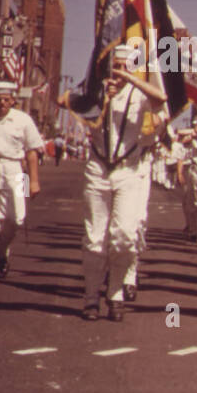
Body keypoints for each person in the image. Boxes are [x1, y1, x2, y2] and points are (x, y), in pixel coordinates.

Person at [61, 45, 167, 321]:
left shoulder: (138, 93)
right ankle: (91, 297)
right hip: (98, 169)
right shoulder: (96, 92)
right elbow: (63, 100)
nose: (118, 70)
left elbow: (161, 99)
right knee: (95, 239)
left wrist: (130, 79)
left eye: (125, 65)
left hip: (128, 171)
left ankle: (116, 292)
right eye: (115, 65)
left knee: (123, 238)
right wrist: (95, 94)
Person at [0, 81, 44, 278]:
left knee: (18, 217)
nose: (2, 103)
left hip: (16, 170)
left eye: (6, 99)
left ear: (12, 101)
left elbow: (32, 152)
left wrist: (33, 182)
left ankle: (1, 251)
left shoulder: (23, 120)